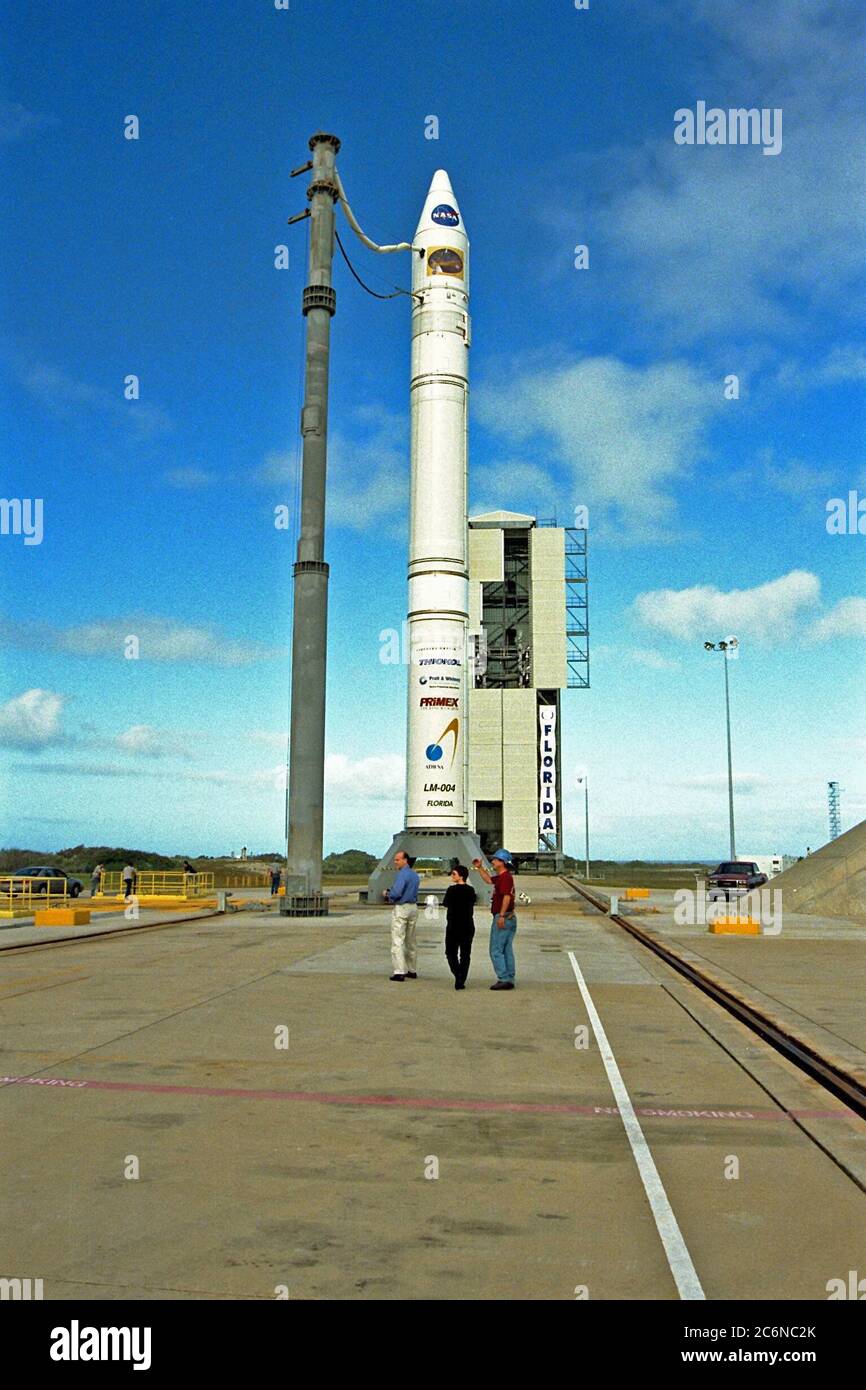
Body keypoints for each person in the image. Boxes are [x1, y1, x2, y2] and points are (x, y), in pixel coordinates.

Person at [473, 849, 517, 990]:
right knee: (506, 949)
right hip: (510, 917)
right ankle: (509, 977)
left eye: (495, 859)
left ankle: (503, 978)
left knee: (496, 950)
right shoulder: (503, 877)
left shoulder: (505, 878)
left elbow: (506, 897)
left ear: (502, 862)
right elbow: (488, 880)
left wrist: (502, 916)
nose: (492, 861)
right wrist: (479, 868)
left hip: (503, 916)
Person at [382, 850, 420, 981]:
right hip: (413, 907)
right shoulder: (414, 875)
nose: (395, 862)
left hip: (402, 907)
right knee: (411, 940)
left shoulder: (402, 875)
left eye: (397, 860)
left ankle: (399, 971)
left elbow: (397, 892)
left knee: (397, 940)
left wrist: (388, 894)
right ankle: (412, 970)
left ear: (405, 860)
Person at [443, 864, 476, 990]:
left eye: (454, 874)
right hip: (467, 925)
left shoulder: (451, 890)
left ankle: (458, 975)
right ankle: (462, 978)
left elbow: (445, 903)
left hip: (453, 926)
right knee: (465, 954)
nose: (452, 876)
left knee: (450, 952)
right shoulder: (471, 890)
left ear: (461, 876)